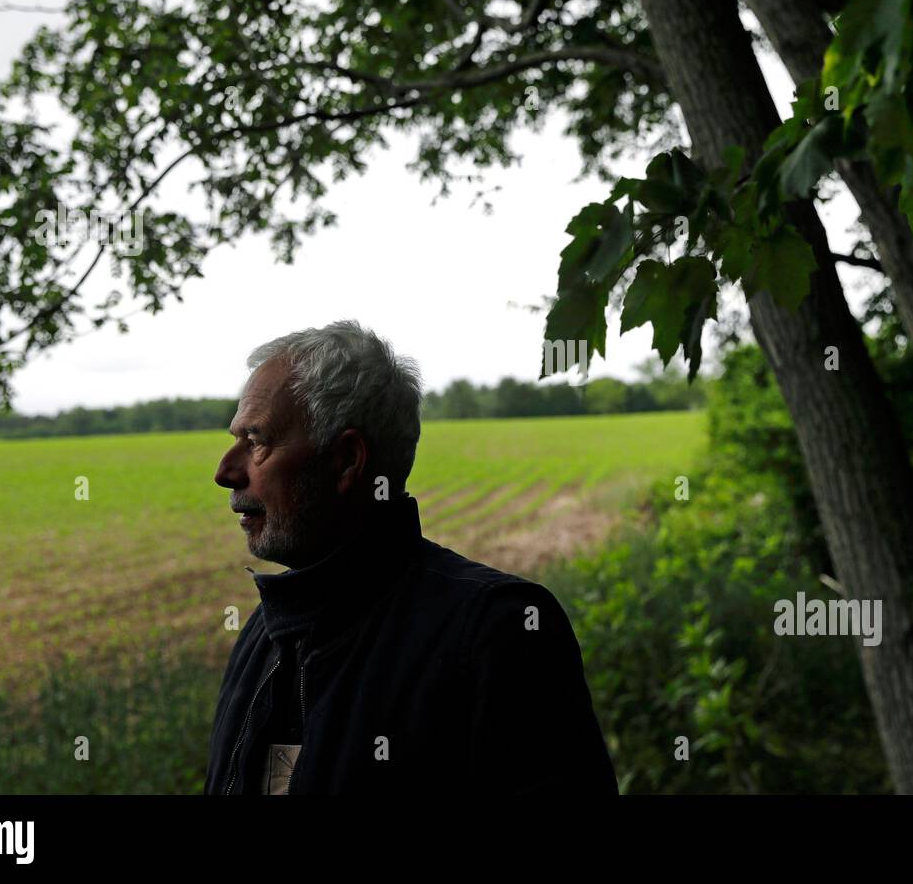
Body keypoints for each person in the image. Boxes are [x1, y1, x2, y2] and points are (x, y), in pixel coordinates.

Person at [203, 321, 618, 794]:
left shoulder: (496, 632)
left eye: (255, 442)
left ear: (346, 460)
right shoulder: (265, 632)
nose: (225, 472)